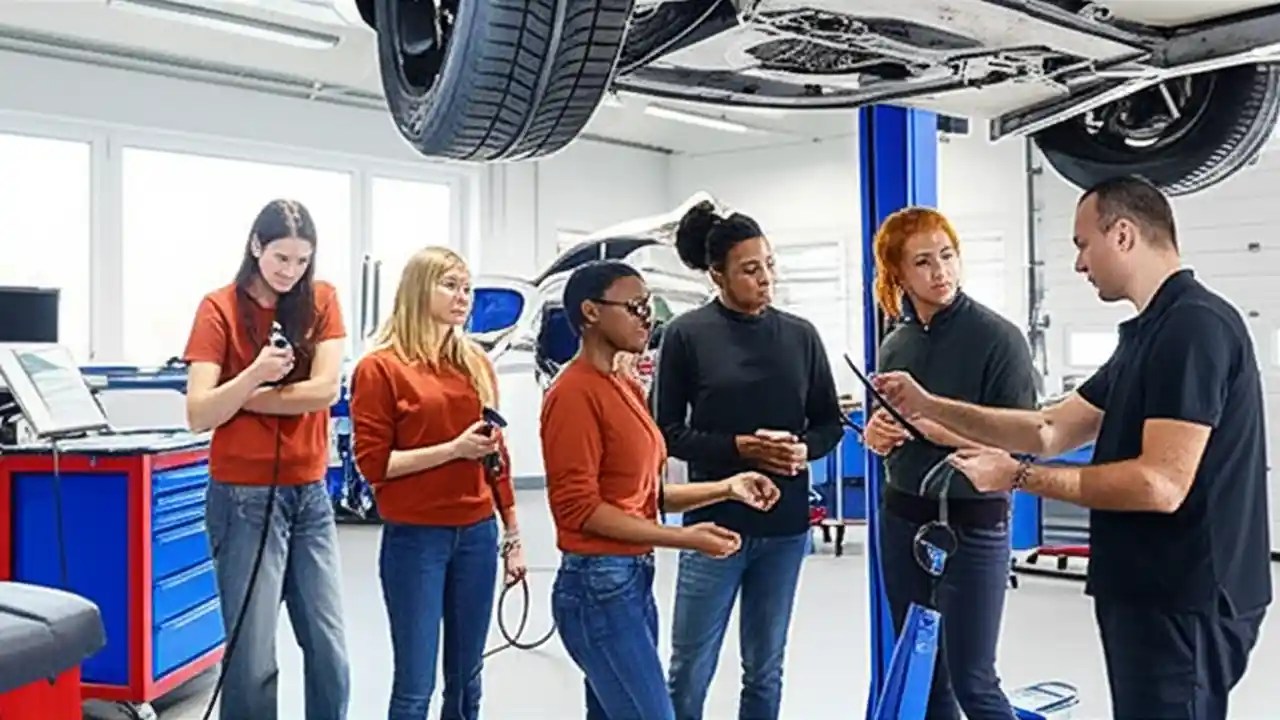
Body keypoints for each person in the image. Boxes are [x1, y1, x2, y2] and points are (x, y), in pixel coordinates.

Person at [874, 175, 1272, 720]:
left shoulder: (1192, 329)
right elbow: (1048, 430)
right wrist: (927, 405)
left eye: (1084, 245)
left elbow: (1160, 484)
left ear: (1124, 235)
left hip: (1185, 596)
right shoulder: (1148, 333)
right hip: (1146, 590)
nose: (1080, 264)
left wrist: (1018, 477)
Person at [541, 259, 783, 720]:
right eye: (633, 306)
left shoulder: (624, 385)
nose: (646, 317)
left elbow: (646, 493)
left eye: (648, 306)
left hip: (630, 581)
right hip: (596, 589)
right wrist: (685, 538)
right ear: (591, 312)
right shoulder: (573, 394)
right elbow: (580, 510)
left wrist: (726, 488)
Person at [651, 201, 845, 720]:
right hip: (714, 527)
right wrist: (741, 448)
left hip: (785, 531)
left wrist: (807, 449)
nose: (766, 278)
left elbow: (829, 423)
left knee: (765, 668)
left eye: (769, 264)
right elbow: (665, 433)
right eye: (750, 269)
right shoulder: (686, 336)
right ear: (718, 275)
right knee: (690, 666)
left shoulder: (801, 335)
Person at [862, 207, 1038, 720]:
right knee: (925, 674)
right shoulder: (896, 344)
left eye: (947, 255)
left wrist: (926, 426)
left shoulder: (999, 340)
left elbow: (1021, 443)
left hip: (974, 524)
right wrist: (879, 433)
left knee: (973, 681)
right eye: (923, 262)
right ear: (898, 274)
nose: (940, 271)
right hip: (903, 522)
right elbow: (890, 426)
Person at [183, 198, 350, 720]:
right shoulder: (218, 308)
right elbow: (199, 412)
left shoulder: (322, 299)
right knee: (253, 657)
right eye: (281, 258)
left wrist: (246, 400)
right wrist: (254, 374)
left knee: (329, 647)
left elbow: (324, 391)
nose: (290, 272)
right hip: (243, 500)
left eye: (302, 261)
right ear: (256, 247)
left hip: (310, 494)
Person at [349, 246, 527, 720]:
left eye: (467, 287)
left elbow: (497, 456)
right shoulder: (380, 367)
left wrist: (512, 533)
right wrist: (452, 450)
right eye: (450, 284)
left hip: (476, 534)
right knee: (415, 683)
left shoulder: (475, 364)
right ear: (417, 289)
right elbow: (374, 466)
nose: (462, 296)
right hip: (415, 539)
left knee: (467, 680)